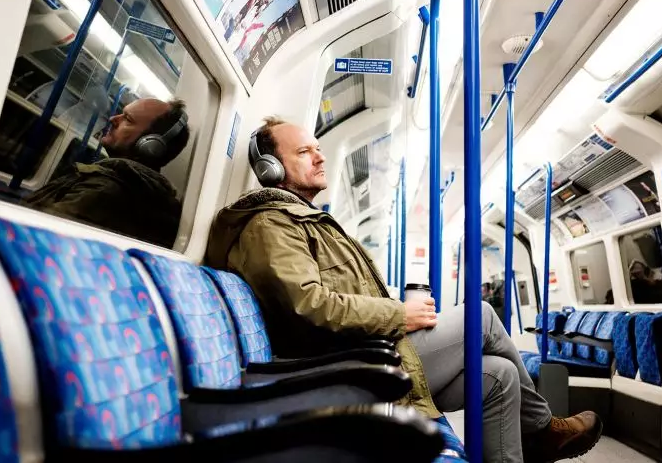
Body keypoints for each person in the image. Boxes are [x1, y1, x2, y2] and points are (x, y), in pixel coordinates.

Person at [205, 116, 603, 463]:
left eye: (319, 148)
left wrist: (398, 311)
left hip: (364, 350)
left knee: (498, 376)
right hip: (347, 364)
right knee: (480, 314)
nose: (320, 157)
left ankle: (532, 444)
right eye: (305, 151)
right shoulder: (271, 225)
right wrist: (400, 316)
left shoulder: (306, 221)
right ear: (271, 168)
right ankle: (545, 429)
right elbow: (309, 304)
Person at [26, 98, 189, 248]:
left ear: (151, 146)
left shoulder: (105, 192)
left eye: (127, 119)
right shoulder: (132, 189)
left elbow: (33, 241)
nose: (113, 119)